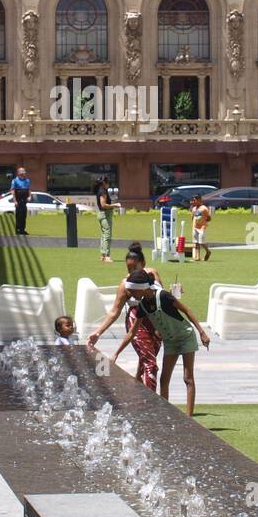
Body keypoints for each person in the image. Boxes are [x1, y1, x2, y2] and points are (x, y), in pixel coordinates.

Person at [111, 271, 210, 418]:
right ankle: (166, 415)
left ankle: (189, 419)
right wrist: (116, 353)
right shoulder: (143, 306)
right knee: (164, 380)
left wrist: (202, 332)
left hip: (185, 336)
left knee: (188, 378)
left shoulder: (163, 296)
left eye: (132, 290)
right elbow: (132, 332)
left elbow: (186, 310)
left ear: (142, 287)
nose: (130, 294)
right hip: (170, 341)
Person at [86, 243, 165, 389]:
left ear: (143, 263)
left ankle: (137, 392)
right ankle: (150, 404)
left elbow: (161, 296)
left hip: (157, 322)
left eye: (134, 267)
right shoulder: (126, 284)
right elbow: (114, 311)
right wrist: (98, 332)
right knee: (150, 365)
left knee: (145, 361)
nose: (131, 271)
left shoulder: (153, 273)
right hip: (137, 322)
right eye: (128, 268)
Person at [94, 175, 115, 263]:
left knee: (103, 234)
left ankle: (102, 255)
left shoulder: (101, 190)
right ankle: (106, 256)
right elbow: (103, 205)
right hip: (105, 214)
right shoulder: (103, 191)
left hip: (101, 214)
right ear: (104, 183)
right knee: (107, 234)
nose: (109, 184)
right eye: (108, 183)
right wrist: (115, 205)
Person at [11, 166, 31, 236]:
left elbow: (28, 189)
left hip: (24, 200)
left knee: (24, 215)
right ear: (19, 173)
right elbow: (13, 191)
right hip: (18, 200)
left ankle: (22, 230)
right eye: (22, 171)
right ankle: (18, 230)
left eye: (24, 171)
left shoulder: (27, 180)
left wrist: (29, 196)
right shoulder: (15, 180)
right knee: (19, 215)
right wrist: (15, 201)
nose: (24, 172)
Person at [190, 196, 211, 262]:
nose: (193, 202)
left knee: (201, 242)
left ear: (199, 200)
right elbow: (193, 217)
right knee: (196, 242)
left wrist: (203, 222)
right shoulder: (193, 209)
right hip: (195, 227)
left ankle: (208, 251)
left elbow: (209, 218)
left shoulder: (204, 208)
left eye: (194, 200)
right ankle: (197, 257)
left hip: (202, 227)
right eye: (193, 200)